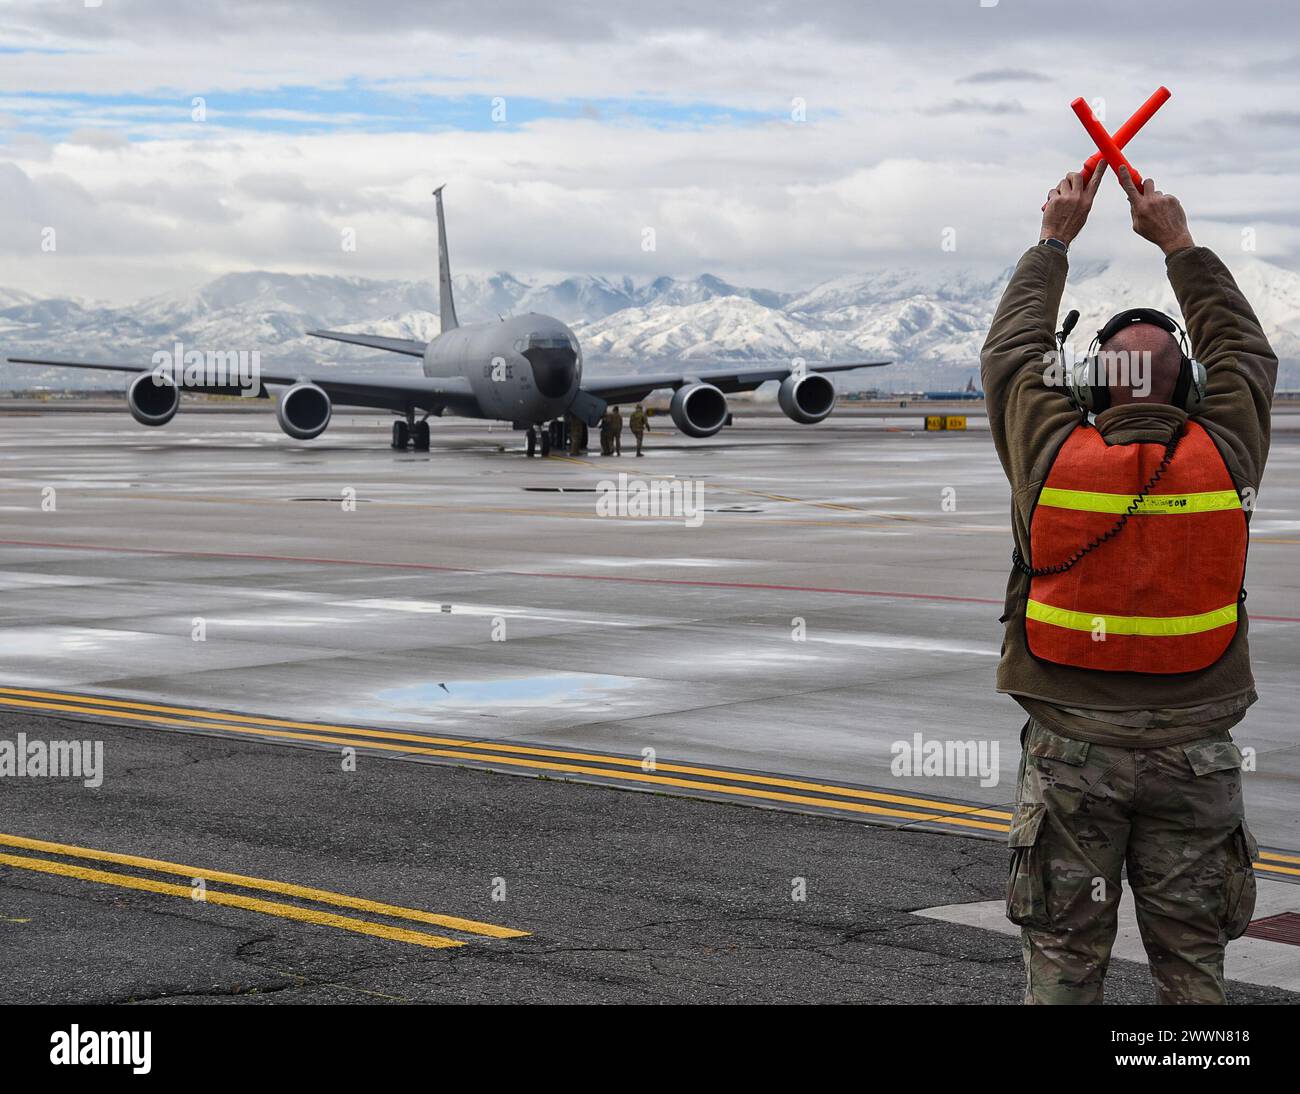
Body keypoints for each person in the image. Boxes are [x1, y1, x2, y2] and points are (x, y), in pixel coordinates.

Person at [981, 162, 1276, 1005]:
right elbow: (1246, 350)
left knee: (1066, 964)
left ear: (1084, 388)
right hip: (1196, 757)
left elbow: (1010, 354)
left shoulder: (1046, 452)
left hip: (1072, 755)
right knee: (1194, 972)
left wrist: (1054, 242)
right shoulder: (1228, 452)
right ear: (1192, 386)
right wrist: (1178, 243)